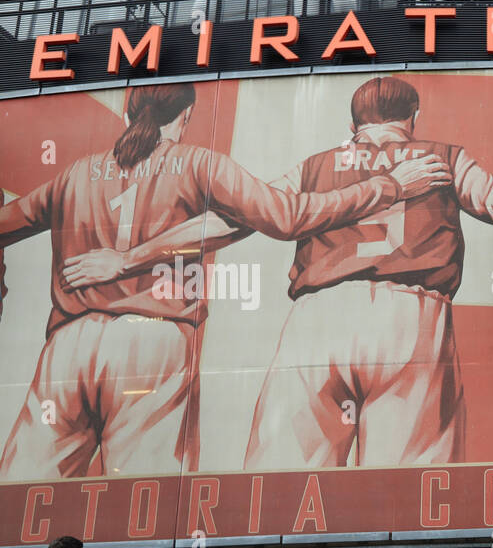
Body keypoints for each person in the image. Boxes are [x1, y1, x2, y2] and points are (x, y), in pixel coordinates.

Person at [7, 82, 442, 480]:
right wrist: (388, 187)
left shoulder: (76, 174)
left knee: (23, 492)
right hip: (153, 341)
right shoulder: (199, 164)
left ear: (127, 115)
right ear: (186, 117)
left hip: (66, 347)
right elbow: (288, 217)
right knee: (146, 495)